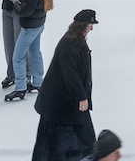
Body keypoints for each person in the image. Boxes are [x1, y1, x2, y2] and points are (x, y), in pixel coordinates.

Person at [33, 11, 97, 161]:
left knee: (83, 137)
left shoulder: (77, 41)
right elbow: (70, 74)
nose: (92, 29)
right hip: (60, 105)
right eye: (90, 25)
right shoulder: (69, 44)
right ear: (82, 25)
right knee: (58, 144)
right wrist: (82, 97)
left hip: (67, 105)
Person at [3, 0, 54, 101]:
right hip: (39, 25)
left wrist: (16, 3)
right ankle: (38, 81)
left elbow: (24, 12)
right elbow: (33, 5)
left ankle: (20, 87)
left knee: (18, 57)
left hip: (29, 28)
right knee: (35, 52)